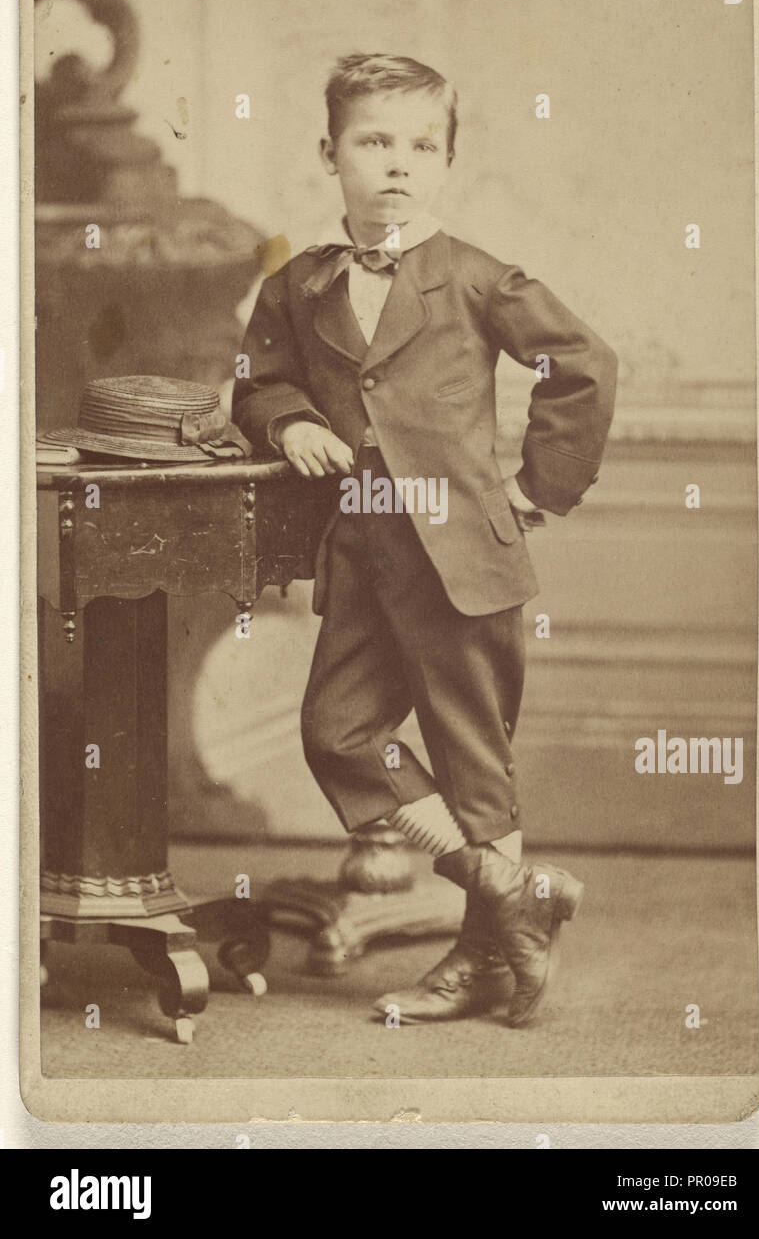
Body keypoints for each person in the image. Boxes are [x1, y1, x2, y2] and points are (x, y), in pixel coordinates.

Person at [233, 53, 618, 1027]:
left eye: (420, 144)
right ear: (330, 153)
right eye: (373, 141)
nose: (397, 163)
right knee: (337, 733)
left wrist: (538, 489)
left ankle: (481, 958)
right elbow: (258, 376)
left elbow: (582, 363)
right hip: (361, 553)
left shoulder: (478, 277)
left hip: (464, 561)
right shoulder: (300, 282)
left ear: (446, 160)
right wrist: (288, 423)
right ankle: (508, 895)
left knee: (473, 767)